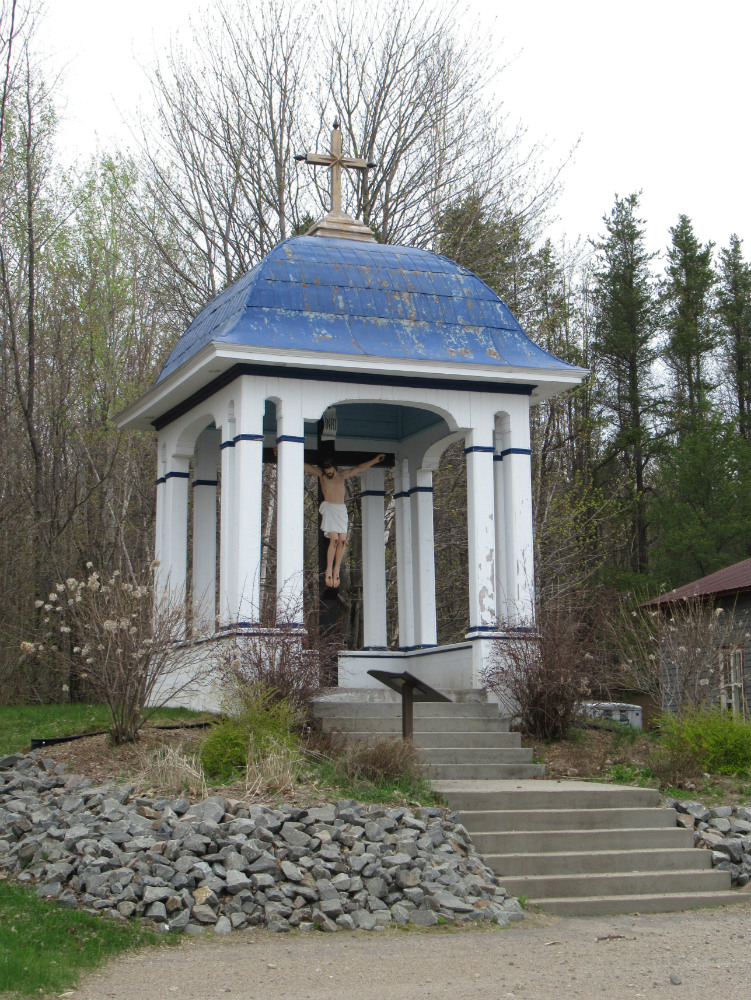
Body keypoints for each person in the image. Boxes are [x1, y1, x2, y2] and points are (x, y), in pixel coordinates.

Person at [305, 454, 385, 588]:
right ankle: (328, 569)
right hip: (330, 509)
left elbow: (359, 468)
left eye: (330, 471)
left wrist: (375, 460)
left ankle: (336, 569)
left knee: (342, 540)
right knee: (334, 539)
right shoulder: (322, 475)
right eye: (327, 472)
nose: (329, 474)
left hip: (341, 510)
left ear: (334, 468)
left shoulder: (342, 475)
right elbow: (307, 466)